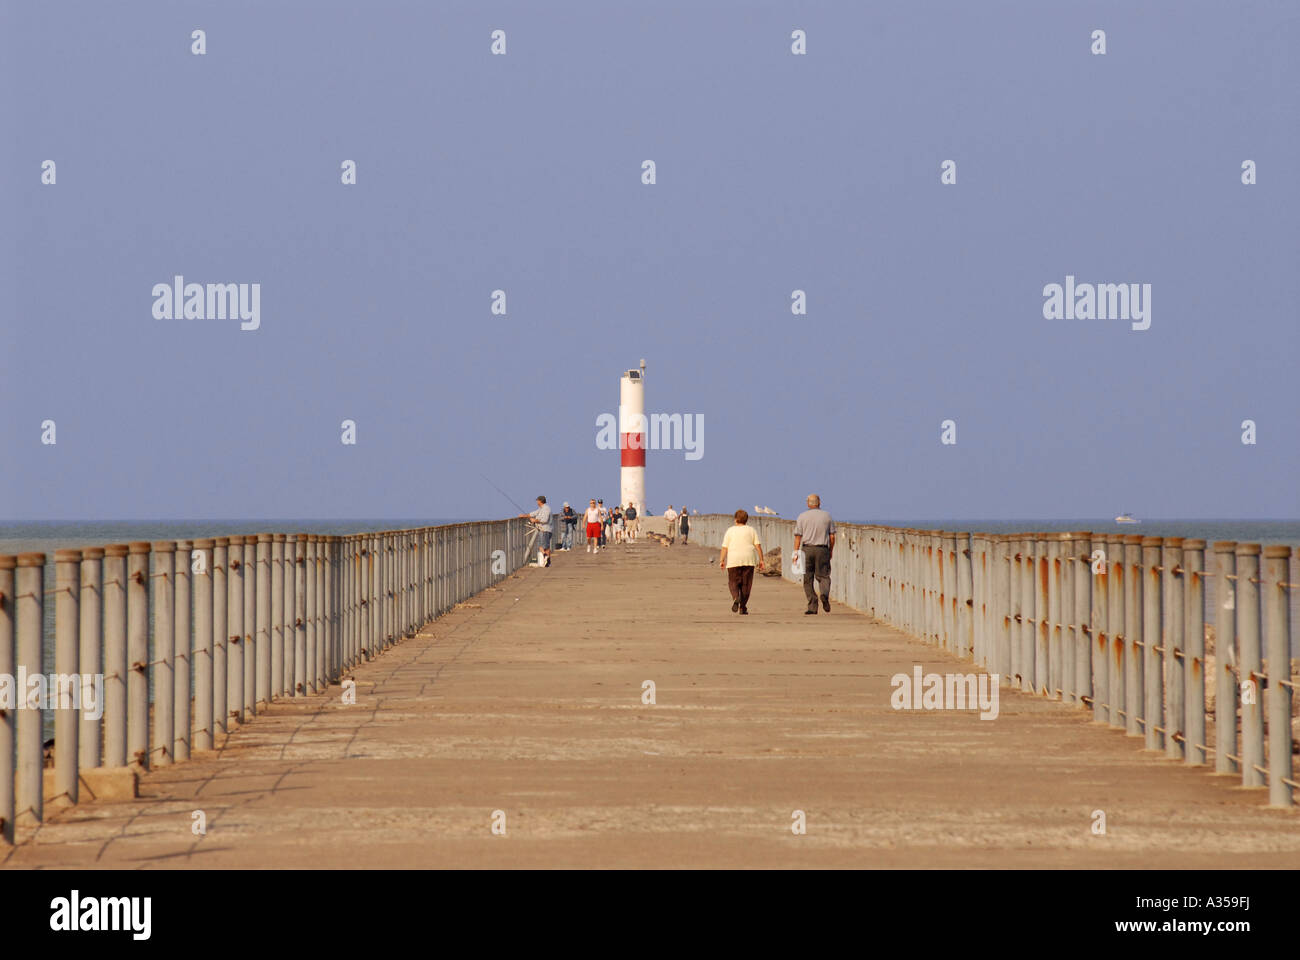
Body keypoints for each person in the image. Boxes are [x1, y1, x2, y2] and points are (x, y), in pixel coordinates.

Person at [792, 494, 836, 614]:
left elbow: (798, 537)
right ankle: (824, 594)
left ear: (808, 503)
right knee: (824, 576)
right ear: (819, 503)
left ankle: (812, 606)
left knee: (807, 578)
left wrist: (795, 553)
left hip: (807, 549)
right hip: (822, 549)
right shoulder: (827, 516)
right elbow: (832, 536)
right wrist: (830, 550)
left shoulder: (802, 516)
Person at [718, 509, 764, 614]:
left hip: (734, 560)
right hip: (749, 559)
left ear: (735, 520)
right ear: (746, 520)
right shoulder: (751, 530)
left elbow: (725, 547)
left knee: (733, 582)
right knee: (746, 585)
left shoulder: (730, 531)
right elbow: (758, 546)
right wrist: (761, 560)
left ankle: (735, 598)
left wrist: (722, 560)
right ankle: (743, 607)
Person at [520, 495, 553, 567]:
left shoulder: (546, 509)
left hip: (545, 530)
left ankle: (545, 557)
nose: (537, 502)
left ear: (540, 501)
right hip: (545, 529)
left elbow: (545, 520)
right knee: (546, 546)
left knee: (542, 546)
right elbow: (533, 513)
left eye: (537, 500)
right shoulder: (541, 508)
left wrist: (535, 520)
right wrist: (524, 515)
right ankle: (548, 562)